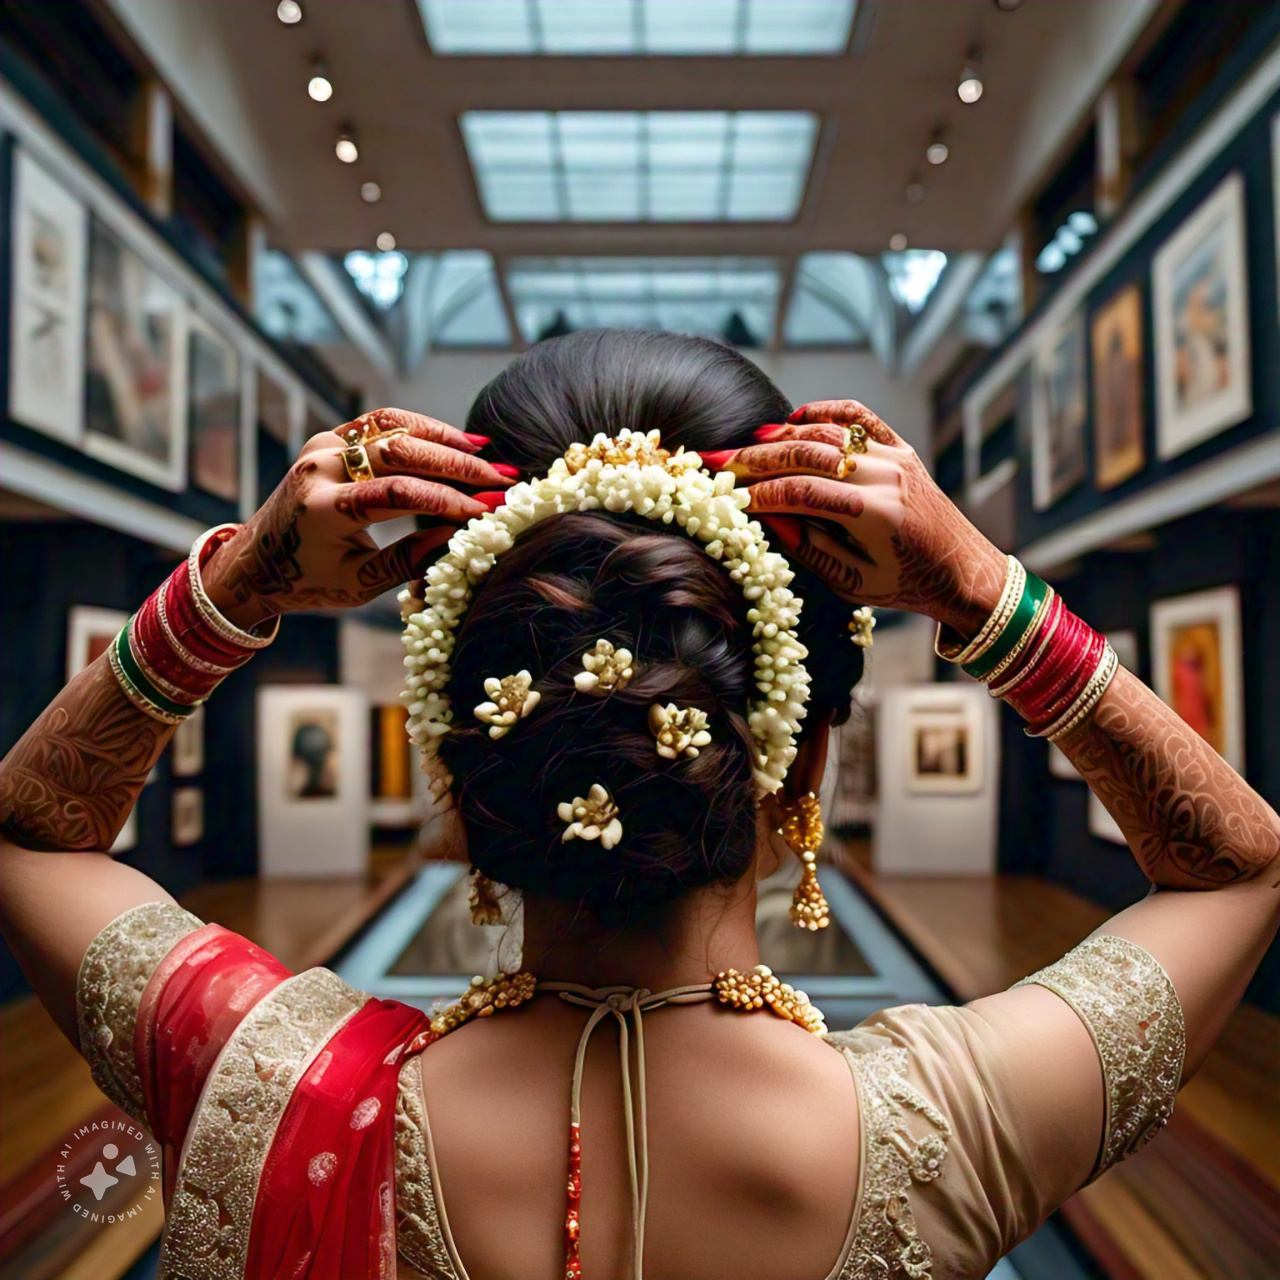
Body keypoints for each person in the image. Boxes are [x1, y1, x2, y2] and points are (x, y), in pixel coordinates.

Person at [0, 330, 1276, 1280]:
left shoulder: (267, 1080)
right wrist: (983, 595)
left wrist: (235, 588)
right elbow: (1238, 868)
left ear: (456, 759)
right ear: (805, 755)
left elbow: (28, 830)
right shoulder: (959, 1121)